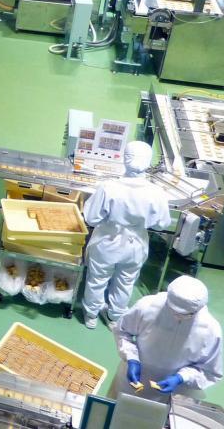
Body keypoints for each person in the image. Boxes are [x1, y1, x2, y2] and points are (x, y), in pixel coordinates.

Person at [81, 141, 171, 329]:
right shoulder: (156, 192)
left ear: (125, 159)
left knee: (97, 279)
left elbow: (91, 218)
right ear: (148, 162)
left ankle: (91, 315)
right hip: (136, 244)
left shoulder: (108, 187)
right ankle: (115, 316)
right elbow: (162, 223)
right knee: (125, 282)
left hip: (107, 241)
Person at [115, 276, 222, 402]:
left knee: (159, 414)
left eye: (185, 314)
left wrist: (181, 377)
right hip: (131, 381)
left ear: (198, 309)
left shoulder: (210, 330)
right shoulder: (147, 306)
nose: (177, 317)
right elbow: (122, 331)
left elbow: (210, 372)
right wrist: (132, 358)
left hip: (175, 393)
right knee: (120, 409)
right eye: (172, 311)